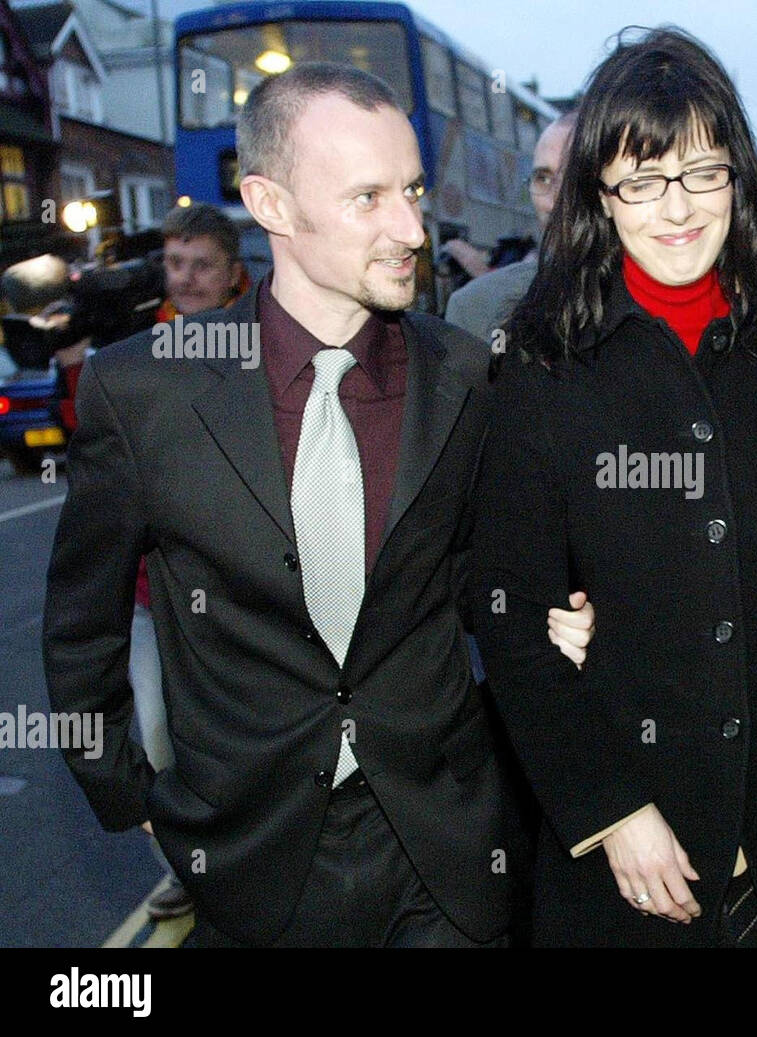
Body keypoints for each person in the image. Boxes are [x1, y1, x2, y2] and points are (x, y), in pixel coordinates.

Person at [44, 62, 590, 947]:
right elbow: (82, 626)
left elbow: (474, 578)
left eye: (411, 190)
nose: (411, 227)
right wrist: (127, 792)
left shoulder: (464, 374)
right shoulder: (144, 391)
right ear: (271, 206)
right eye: (367, 197)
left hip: (448, 846)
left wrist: (552, 607)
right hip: (254, 857)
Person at [471, 28, 757, 948]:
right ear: (601, 200)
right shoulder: (544, 361)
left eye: (702, 172)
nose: (676, 208)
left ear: (740, 175)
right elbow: (512, 619)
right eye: (641, 181)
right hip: (634, 868)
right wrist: (610, 810)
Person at [134, 203, 249, 921]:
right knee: (153, 735)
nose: (187, 278)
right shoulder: (138, 350)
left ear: (233, 272)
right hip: (151, 593)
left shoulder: (261, 345)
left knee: (237, 740)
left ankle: (253, 860)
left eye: (202, 264)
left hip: (236, 591)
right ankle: (186, 866)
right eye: (176, 264)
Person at [444, 112, 576, 343]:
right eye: (542, 179)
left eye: (574, 176)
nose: (555, 199)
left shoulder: (650, 296)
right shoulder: (475, 309)